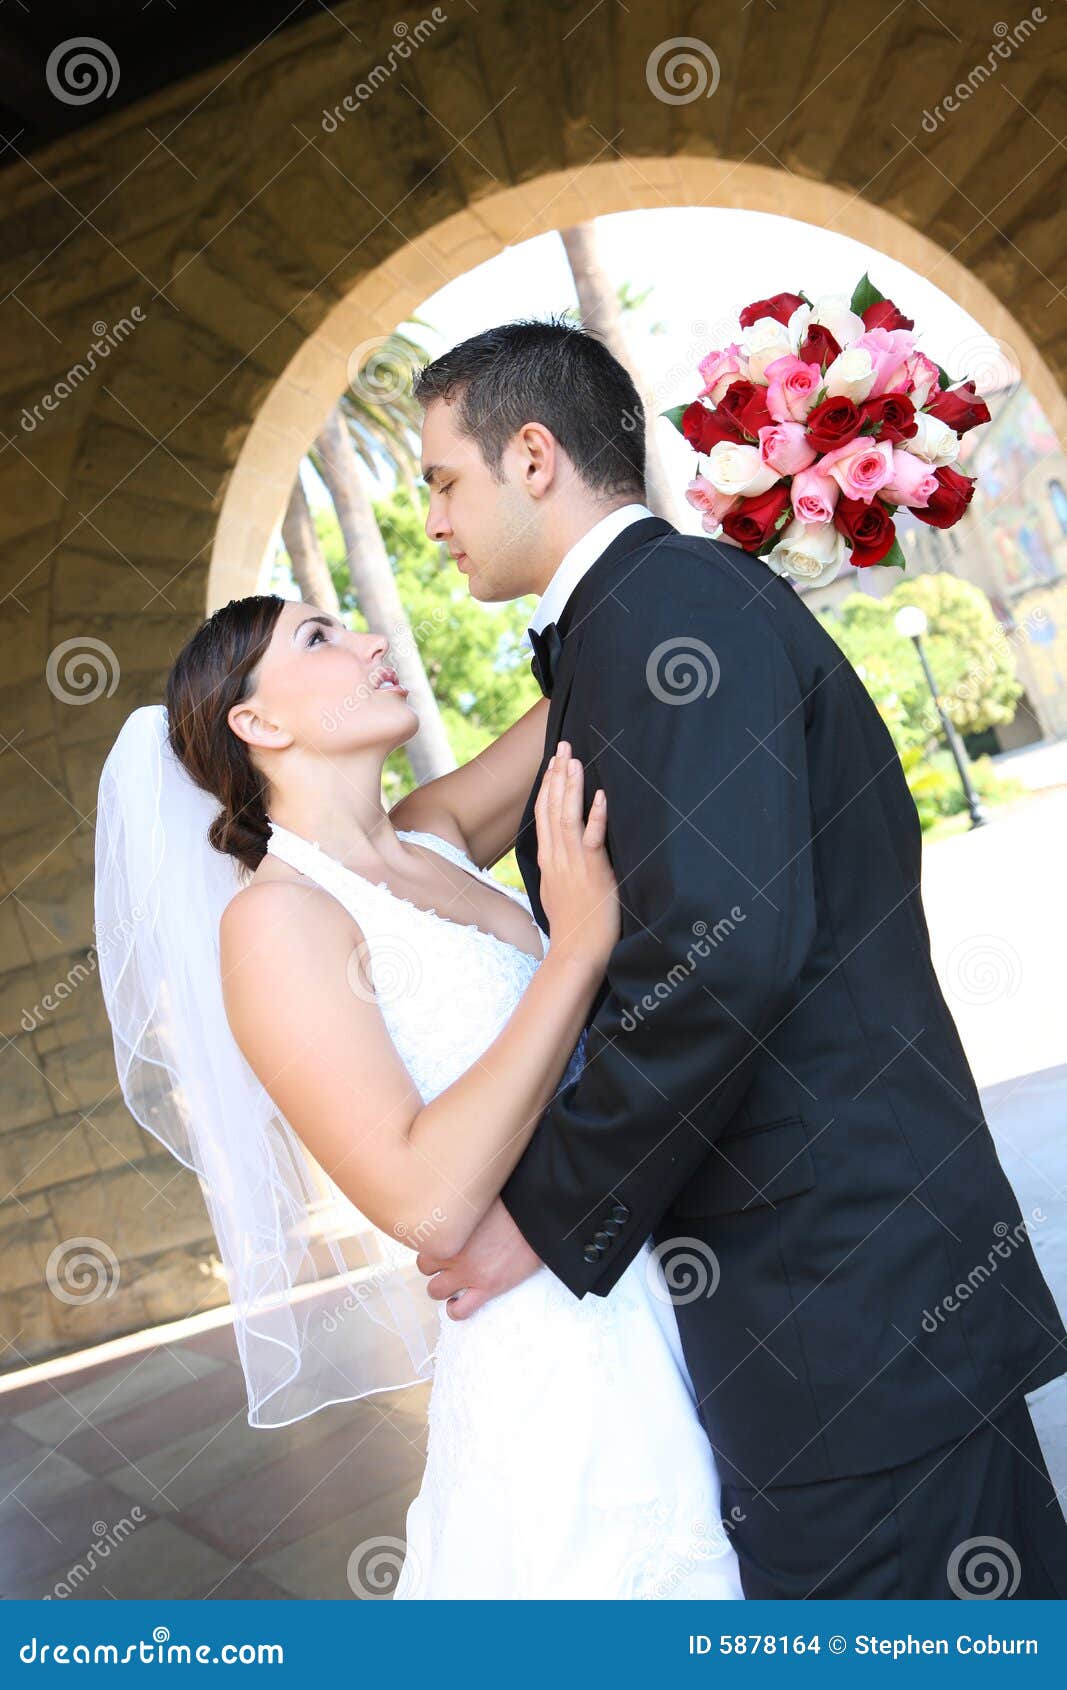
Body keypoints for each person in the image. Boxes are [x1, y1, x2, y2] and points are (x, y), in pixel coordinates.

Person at [408, 317, 1067, 1599]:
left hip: (849, 1303)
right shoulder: (630, 625)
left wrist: (542, 1212)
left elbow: (719, 957)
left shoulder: (671, 608)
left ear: (532, 456)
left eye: (442, 481)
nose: (431, 521)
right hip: (829, 1305)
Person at [95, 592, 744, 1600]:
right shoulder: (276, 920)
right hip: (559, 1359)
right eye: (319, 638)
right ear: (258, 723)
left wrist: (759, 518)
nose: (371, 639)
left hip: (662, 1270)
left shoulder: (433, 831)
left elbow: (605, 683)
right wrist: (576, 947)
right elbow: (424, 1204)